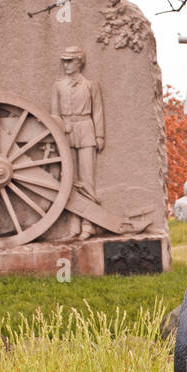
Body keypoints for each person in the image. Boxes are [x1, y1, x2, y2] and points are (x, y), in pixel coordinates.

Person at [50, 46, 105, 240]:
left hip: (85, 127)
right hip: (66, 130)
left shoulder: (90, 85)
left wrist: (100, 136)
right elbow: (54, 113)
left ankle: (89, 224)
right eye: (64, 61)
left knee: (87, 179)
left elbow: (97, 111)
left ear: (80, 62)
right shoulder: (58, 86)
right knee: (70, 179)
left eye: (70, 61)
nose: (66, 65)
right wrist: (60, 128)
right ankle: (74, 224)